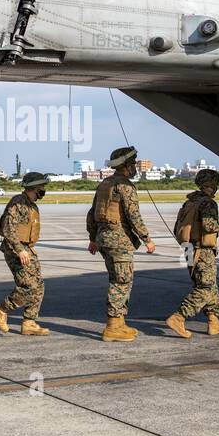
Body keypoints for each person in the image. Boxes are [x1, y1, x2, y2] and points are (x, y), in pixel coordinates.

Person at [86, 146, 157, 342]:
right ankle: (112, 327)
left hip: (103, 239)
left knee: (118, 278)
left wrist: (93, 238)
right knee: (121, 282)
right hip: (118, 240)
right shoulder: (125, 186)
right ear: (126, 166)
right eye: (132, 164)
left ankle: (120, 323)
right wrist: (147, 240)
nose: (134, 167)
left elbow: (92, 214)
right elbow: (134, 216)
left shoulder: (105, 184)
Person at [165, 168, 219, 338]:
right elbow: (209, 226)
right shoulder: (207, 203)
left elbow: (177, 227)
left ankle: (213, 321)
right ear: (213, 184)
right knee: (205, 286)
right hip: (202, 250)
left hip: (188, 249)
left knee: (209, 285)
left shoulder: (189, 202)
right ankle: (179, 317)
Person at [0, 172, 51, 336]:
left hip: (27, 249)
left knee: (38, 285)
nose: (43, 190)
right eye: (41, 187)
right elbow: (8, 229)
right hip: (15, 250)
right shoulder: (18, 203)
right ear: (33, 187)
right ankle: (1, 310)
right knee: (29, 286)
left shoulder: (31, 204)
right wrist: (20, 250)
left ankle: (29, 322)